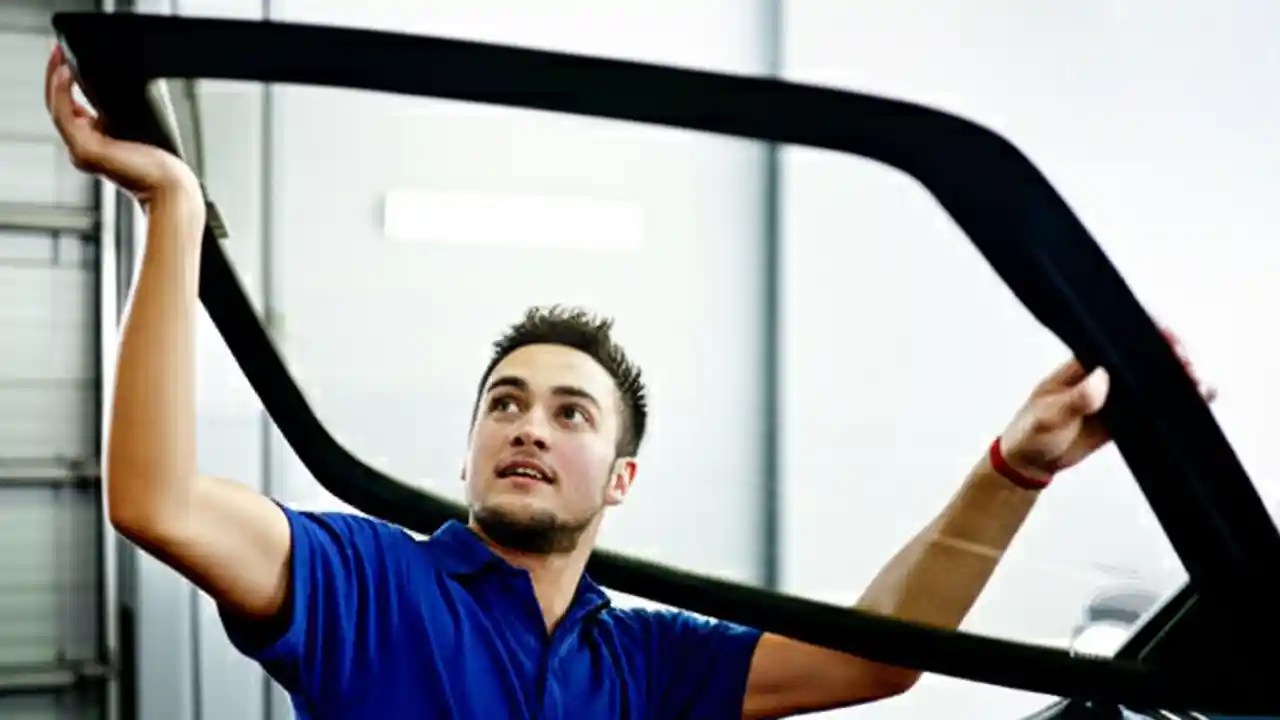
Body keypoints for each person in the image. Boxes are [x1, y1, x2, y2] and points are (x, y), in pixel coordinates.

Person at [45, 45, 1215, 720]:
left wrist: (1010, 469)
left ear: (620, 480)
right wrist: (173, 210)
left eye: (569, 412)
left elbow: (876, 659)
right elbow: (155, 500)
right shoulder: (363, 581)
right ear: (463, 455)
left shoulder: (649, 663)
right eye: (502, 402)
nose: (527, 425)